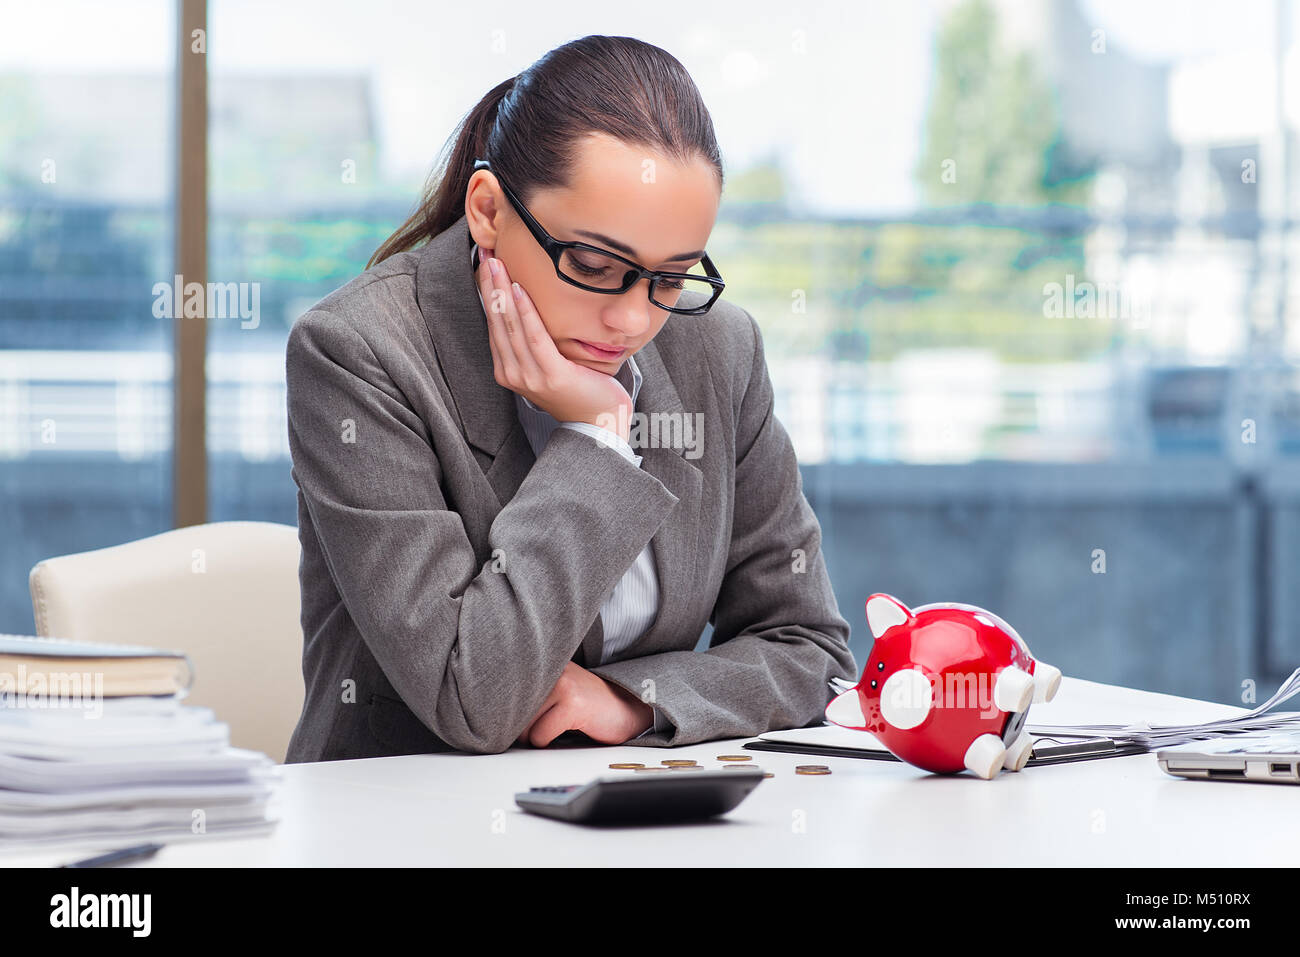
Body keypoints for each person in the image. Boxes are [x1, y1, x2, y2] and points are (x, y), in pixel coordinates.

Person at [283, 34, 857, 762]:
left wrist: (633, 701)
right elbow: (472, 697)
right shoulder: (360, 353)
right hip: (409, 822)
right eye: (593, 264)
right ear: (488, 210)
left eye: (672, 276)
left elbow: (811, 649)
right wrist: (596, 439)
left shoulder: (719, 348)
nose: (634, 320)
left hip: (636, 813)